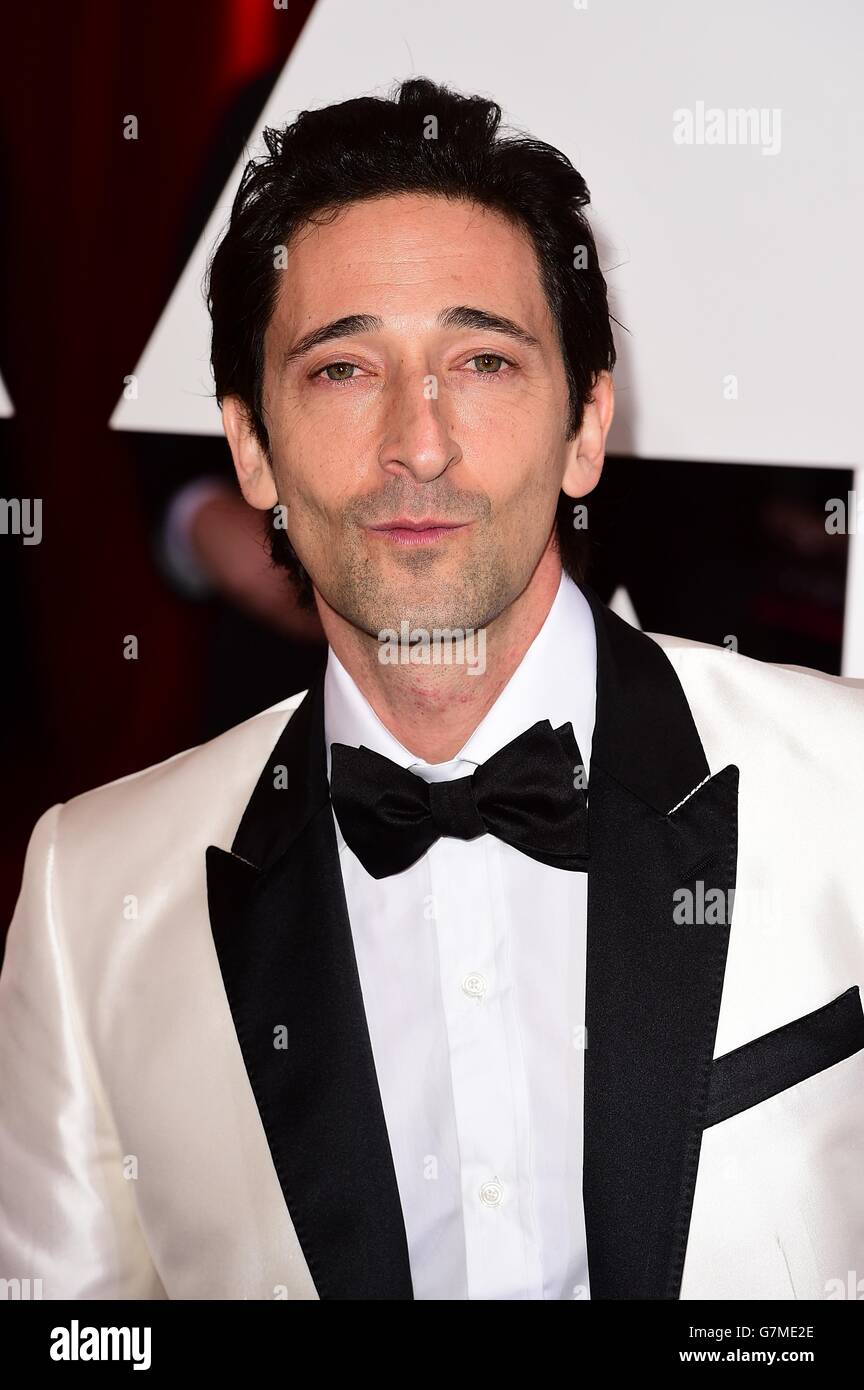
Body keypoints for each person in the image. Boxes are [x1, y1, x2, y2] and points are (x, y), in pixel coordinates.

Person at [1, 76, 862, 1303]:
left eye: (484, 361)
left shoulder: (850, 790)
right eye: (344, 369)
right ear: (251, 448)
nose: (420, 439)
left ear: (585, 431)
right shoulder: (90, 899)